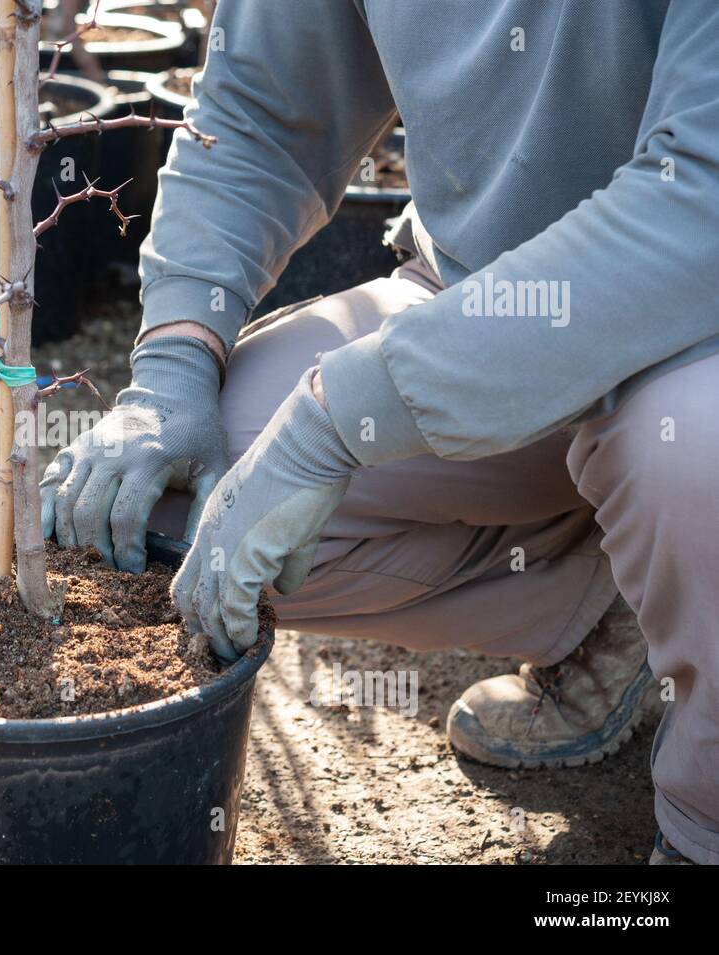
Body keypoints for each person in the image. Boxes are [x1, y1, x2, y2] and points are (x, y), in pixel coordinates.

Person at [40, 0, 718, 865]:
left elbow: (700, 201)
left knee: (691, 455)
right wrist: (172, 364)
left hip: (697, 337)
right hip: (476, 302)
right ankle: (601, 605)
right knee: (166, 516)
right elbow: (258, 109)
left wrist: (340, 414)